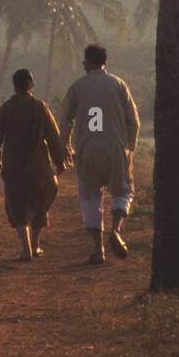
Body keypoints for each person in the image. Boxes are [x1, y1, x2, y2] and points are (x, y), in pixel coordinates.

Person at [59, 44, 140, 266]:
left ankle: (98, 250)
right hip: (115, 147)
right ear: (105, 62)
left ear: (87, 63)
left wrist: (65, 147)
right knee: (123, 191)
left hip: (87, 149)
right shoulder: (118, 84)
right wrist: (129, 149)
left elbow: (65, 122)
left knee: (90, 197)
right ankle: (116, 230)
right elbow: (134, 122)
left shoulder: (77, 87)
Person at [0, 68, 67, 261]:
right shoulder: (41, 107)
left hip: (14, 167)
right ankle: (35, 244)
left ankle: (26, 249)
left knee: (18, 208)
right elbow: (54, 136)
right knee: (40, 204)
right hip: (39, 168)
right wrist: (60, 162)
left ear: (15, 86)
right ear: (31, 85)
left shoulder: (7, 108)